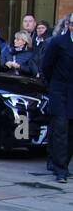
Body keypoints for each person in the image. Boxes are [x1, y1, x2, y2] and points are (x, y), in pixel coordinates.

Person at [40, 16, 73, 184]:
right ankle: (60, 169)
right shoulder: (59, 42)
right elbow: (46, 66)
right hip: (59, 91)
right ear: (69, 26)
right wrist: (52, 85)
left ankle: (63, 163)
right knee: (60, 129)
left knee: (70, 132)